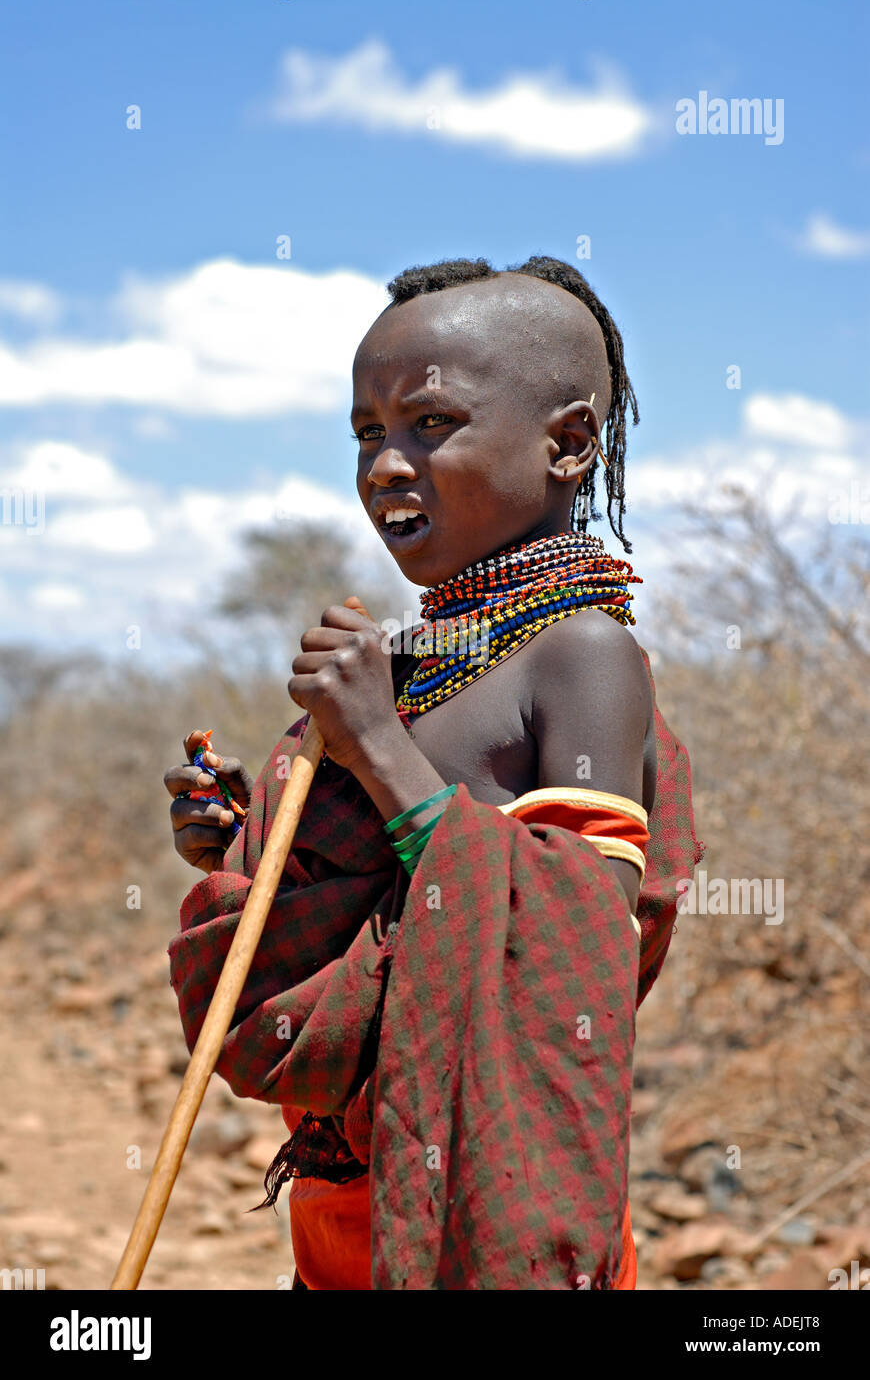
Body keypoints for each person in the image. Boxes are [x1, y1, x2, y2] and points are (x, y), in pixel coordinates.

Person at [164, 256, 703, 1290]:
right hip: (347, 1194)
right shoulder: (425, 658)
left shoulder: (582, 656)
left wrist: (372, 739)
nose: (384, 465)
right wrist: (246, 834)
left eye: (429, 424)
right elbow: (390, 884)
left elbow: (573, 932)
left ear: (569, 443)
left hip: (483, 1192)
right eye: (366, 433)